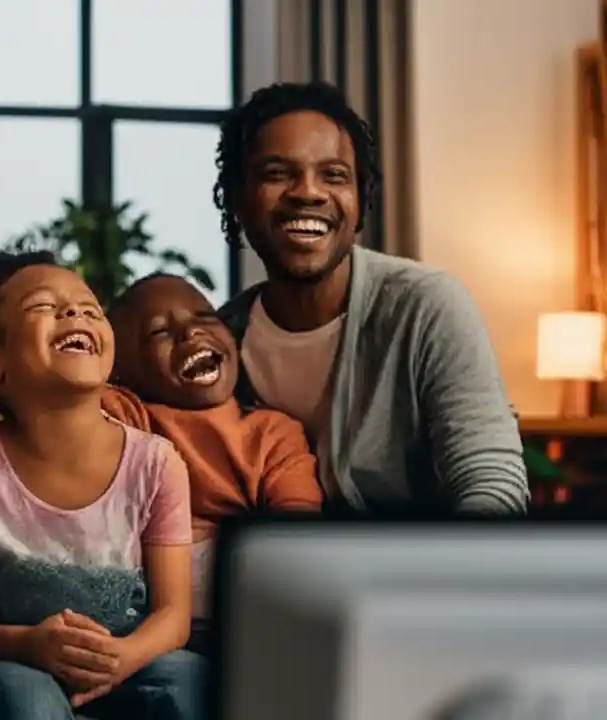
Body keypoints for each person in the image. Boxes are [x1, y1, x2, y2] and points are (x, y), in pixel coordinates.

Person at [212, 81, 528, 516]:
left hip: (422, 574)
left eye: (334, 175)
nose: (308, 192)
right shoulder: (219, 341)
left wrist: (450, 576)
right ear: (237, 200)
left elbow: (493, 483)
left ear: (361, 200)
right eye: (277, 173)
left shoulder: (426, 306)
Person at [0, 251, 204, 720]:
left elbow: (173, 617)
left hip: (130, 657)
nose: (76, 312)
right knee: (28, 700)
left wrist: (125, 658)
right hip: (11, 660)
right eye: (42, 307)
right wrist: (29, 645)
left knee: (189, 684)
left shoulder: (156, 463)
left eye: (89, 308)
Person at [103, 272, 322, 648]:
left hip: (235, 608)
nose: (189, 333)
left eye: (205, 318)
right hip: (143, 613)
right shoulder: (132, 414)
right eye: (158, 333)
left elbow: (295, 535)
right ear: (122, 369)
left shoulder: (272, 433)